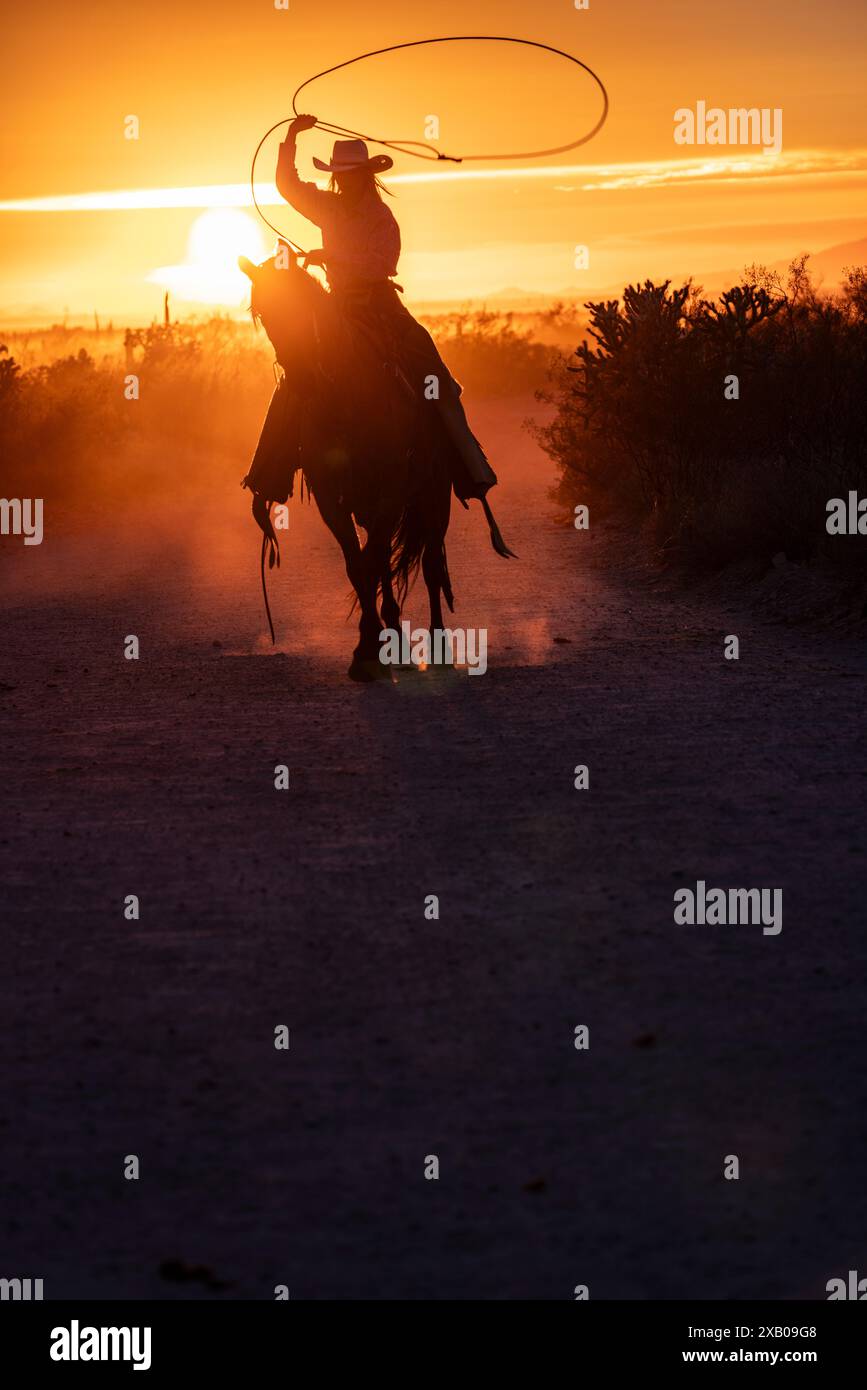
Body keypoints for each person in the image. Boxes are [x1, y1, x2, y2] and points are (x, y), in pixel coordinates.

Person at [275, 114, 498, 501]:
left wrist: (332, 255)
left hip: (380, 304)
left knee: (430, 370)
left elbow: (381, 264)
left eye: (350, 174)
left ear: (365, 175)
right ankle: (270, 470)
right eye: (339, 175)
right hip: (338, 305)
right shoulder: (326, 206)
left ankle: (467, 464)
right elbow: (287, 186)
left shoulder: (382, 217)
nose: (343, 180)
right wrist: (291, 137)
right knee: (296, 373)